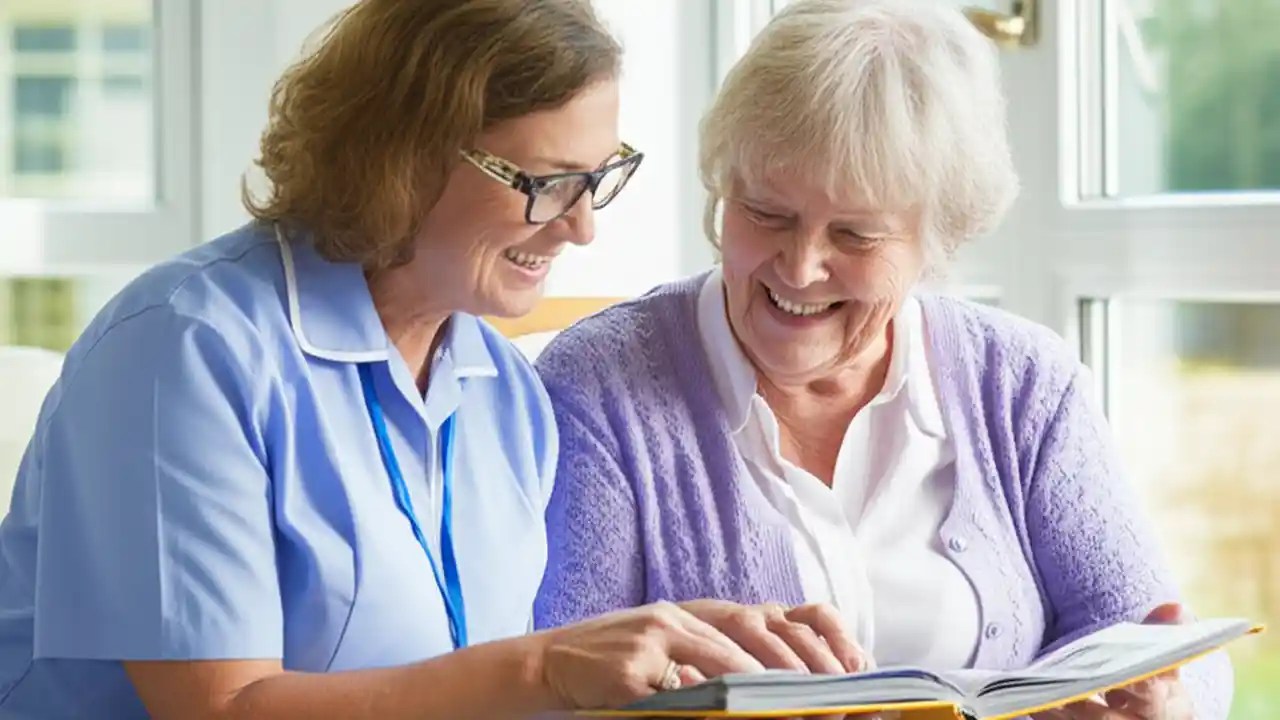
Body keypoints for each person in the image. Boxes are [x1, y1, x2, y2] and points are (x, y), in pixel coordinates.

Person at [0, 2, 868, 718]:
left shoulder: (505, 395)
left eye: (596, 178)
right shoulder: (181, 349)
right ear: (402, 156)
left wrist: (675, 662)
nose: (580, 224)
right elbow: (220, 711)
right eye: (543, 182)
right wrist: (546, 668)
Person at [532, 1, 1232, 719]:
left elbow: (1171, 653)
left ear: (938, 238)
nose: (800, 268)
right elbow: (549, 686)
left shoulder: (1023, 384)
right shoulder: (598, 385)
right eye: (766, 213)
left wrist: (1161, 704)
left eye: (856, 235)